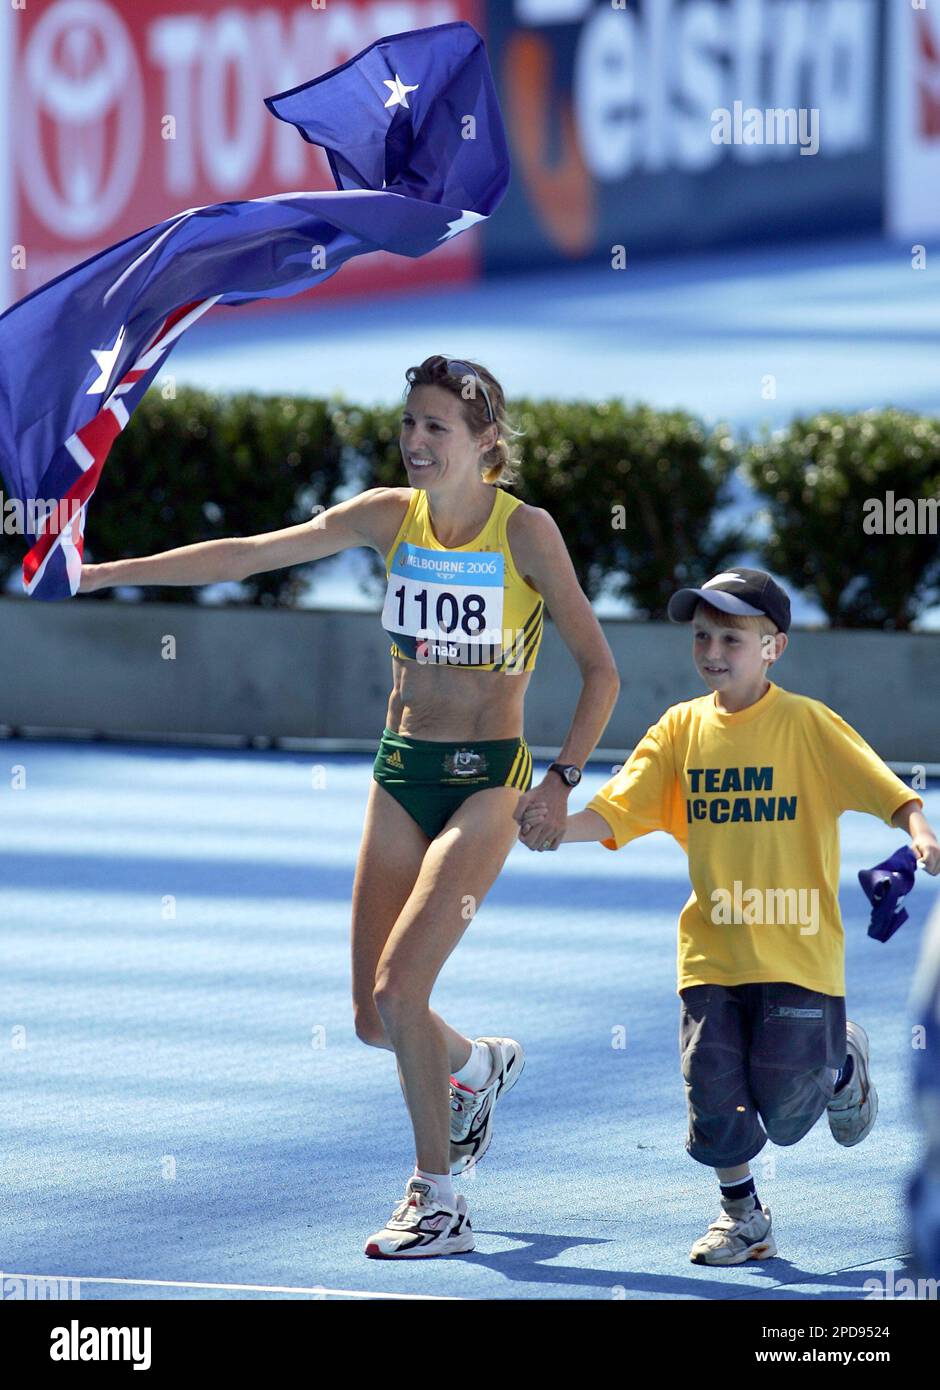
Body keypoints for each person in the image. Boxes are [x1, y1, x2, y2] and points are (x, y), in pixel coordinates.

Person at [79, 355, 620, 1258]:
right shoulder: (385, 518)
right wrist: (102, 576)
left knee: (402, 989)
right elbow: (255, 552)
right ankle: (478, 1067)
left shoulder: (526, 533)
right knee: (376, 1018)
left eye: (435, 427)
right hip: (400, 769)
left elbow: (602, 670)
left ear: (487, 442)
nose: (414, 440)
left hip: (488, 780)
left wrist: (561, 781)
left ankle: (438, 1199)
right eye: (408, 423)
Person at [517, 568, 940, 1265]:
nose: (714, 649)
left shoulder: (807, 725)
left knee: (786, 1109)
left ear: (773, 647)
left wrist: (918, 832)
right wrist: (554, 825)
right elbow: (619, 811)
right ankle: (742, 1215)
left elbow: (888, 789)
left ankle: (838, 1062)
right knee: (713, 1093)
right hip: (710, 951)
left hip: (799, 954)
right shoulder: (680, 731)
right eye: (703, 635)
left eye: (732, 637)